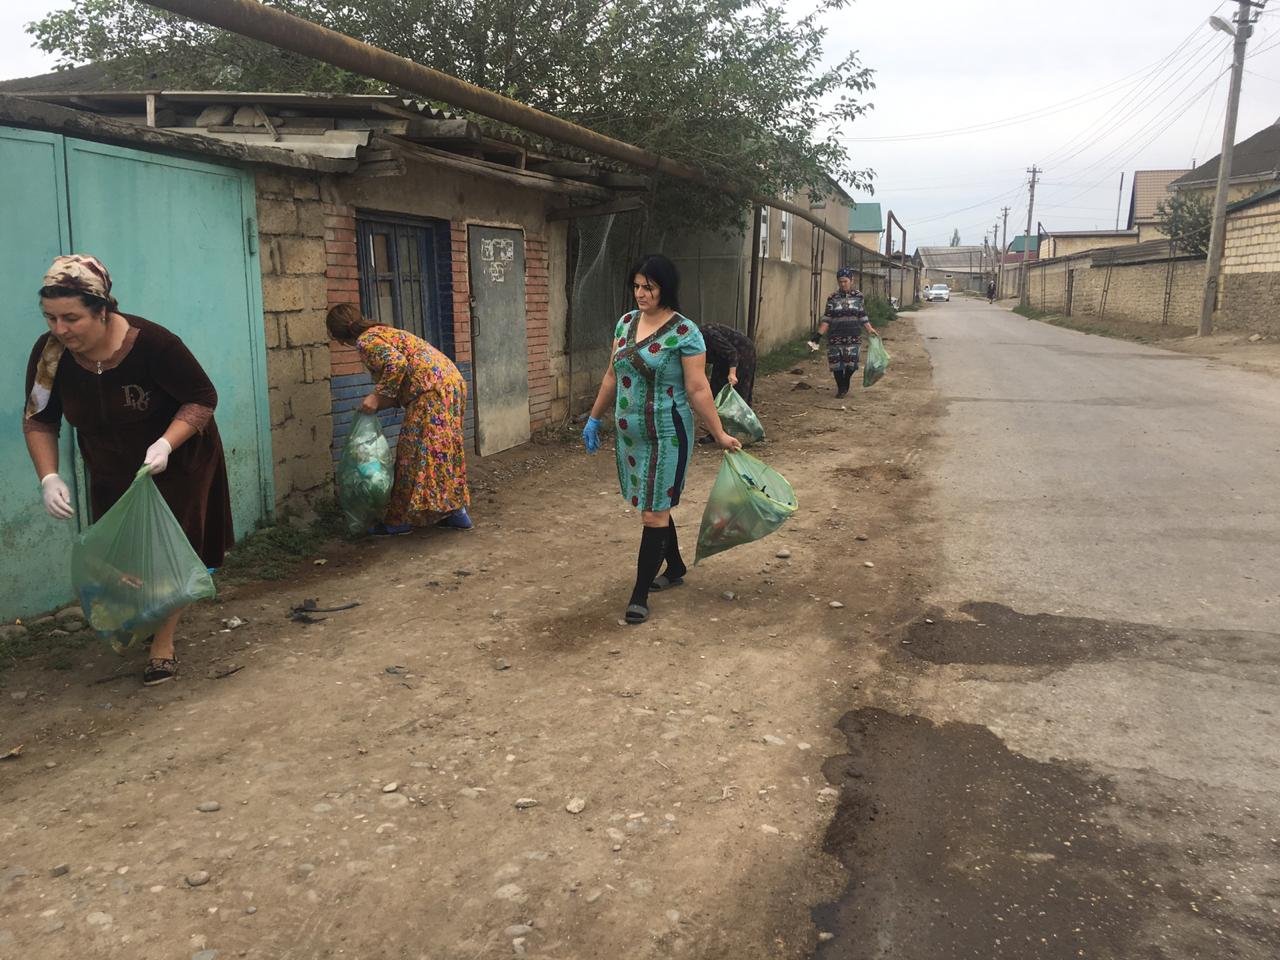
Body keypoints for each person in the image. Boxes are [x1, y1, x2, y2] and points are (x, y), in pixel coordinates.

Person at [24, 255, 233, 686]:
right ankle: (147, 613)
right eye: (50, 317)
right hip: (110, 465)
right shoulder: (50, 355)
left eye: (71, 318)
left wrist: (165, 443)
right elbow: (39, 418)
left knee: (169, 551)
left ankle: (163, 643)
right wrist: (49, 476)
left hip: (178, 461)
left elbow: (201, 398)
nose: (59, 330)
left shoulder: (155, 345)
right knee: (124, 556)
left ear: (103, 310)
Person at [582, 254, 742, 625]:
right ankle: (677, 566)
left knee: (654, 512)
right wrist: (593, 418)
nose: (641, 293)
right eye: (636, 286)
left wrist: (718, 433)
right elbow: (611, 375)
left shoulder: (685, 332)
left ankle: (639, 595)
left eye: (648, 287)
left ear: (664, 288)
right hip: (630, 438)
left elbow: (698, 387)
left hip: (667, 434)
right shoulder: (625, 324)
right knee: (653, 505)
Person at [325, 305, 471, 535]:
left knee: (409, 454)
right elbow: (403, 373)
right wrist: (381, 401)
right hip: (450, 385)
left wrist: (376, 395)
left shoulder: (366, 341)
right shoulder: (382, 332)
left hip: (430, 393)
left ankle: (398, 521)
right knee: (444, 450)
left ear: (338, 336)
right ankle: (456, 513)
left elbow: (397, 364)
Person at [808, 266, 879, 398]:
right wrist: (818, 335)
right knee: (837, 365)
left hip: (853, 337)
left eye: (845, 281)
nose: (843, 284)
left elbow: (862, 315)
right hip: (835, 337)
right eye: (840, 281)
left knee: (851, 365)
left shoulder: (859, 297)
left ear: (851, 280)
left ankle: (846, 381)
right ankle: (841, 388)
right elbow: (827, 318)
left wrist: (869, 329)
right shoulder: (832, 298)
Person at [697, 322, 758, 445]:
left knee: (739, 393)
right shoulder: (690, 346)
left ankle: (743, 433)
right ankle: (717, 432)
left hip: (742, 352)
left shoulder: (707, 335)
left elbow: (732, 353)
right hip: (721, 359)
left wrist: (732, 374)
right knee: (715, 392)